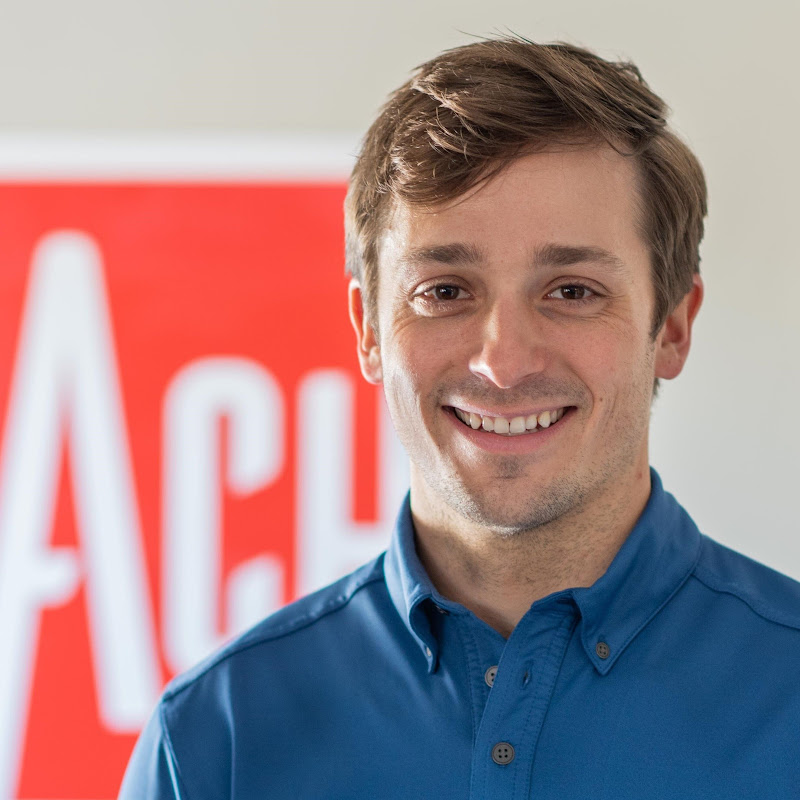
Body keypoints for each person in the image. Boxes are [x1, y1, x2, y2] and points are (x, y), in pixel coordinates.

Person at [119, 36, 800, 799]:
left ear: (671, 326)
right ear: (368, 330)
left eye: (572, 291)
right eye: (444, 292)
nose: (503, 363)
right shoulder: (216, 742)